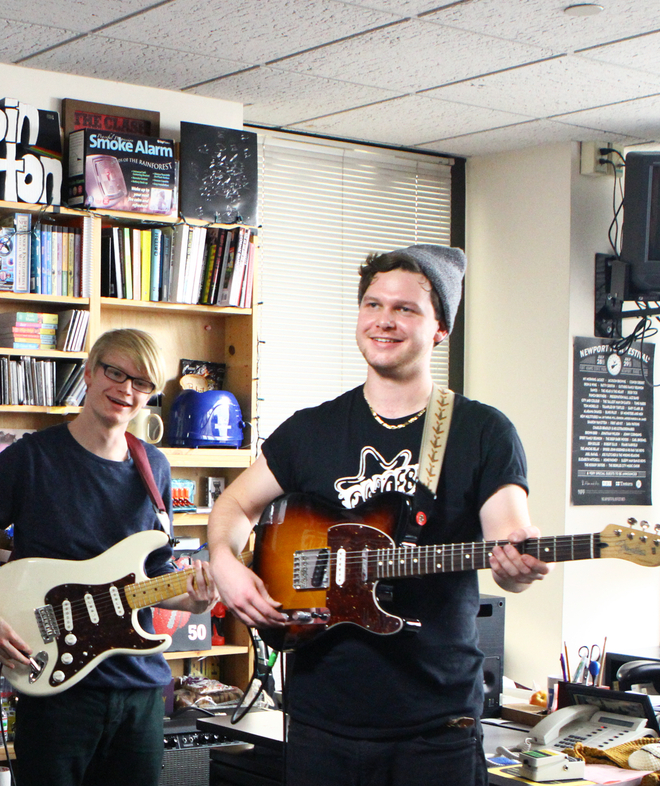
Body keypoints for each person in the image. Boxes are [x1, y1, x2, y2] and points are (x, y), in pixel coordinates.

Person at [206, 244, 551, 786]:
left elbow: (508, 531)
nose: (384, 320)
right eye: (373, 304)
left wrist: (517, 561)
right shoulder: (309, 430)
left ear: (440, 329)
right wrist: (225, 560)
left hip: (436, 727)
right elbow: (233, 505)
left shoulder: (481, 431)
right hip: (321, 720)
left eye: (406, 309)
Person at [0, 328, 219, 786]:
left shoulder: (154, 467)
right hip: (58, 690)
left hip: (139, 688)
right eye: (115, 372)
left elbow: (156, 574)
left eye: (141, 382)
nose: (125, 389)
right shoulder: (30, 458)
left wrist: (195, 600)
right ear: (88, 372)